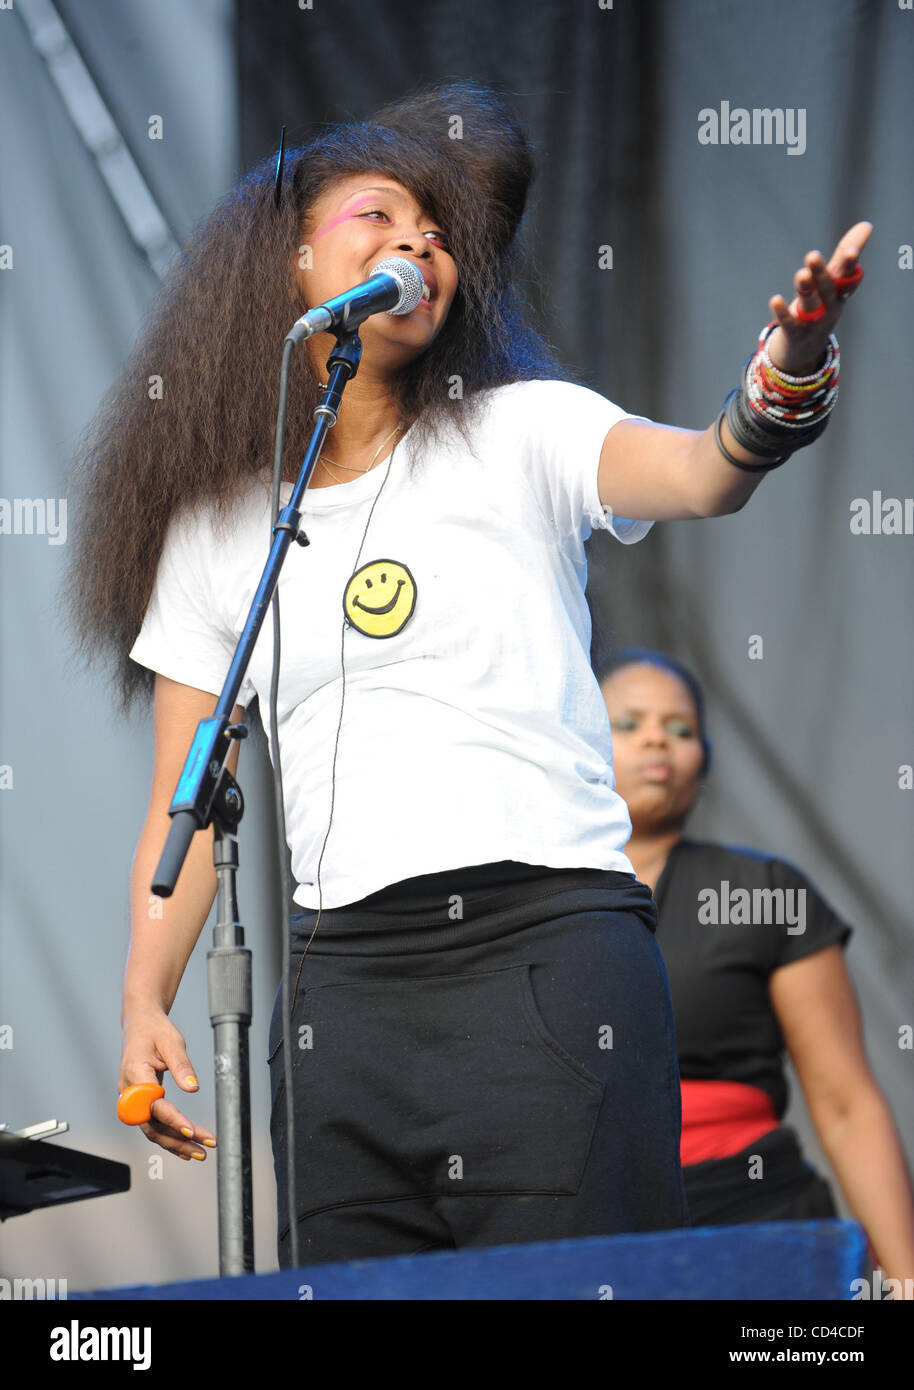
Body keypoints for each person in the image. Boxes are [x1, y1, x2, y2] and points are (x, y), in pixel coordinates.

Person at [63, 79, 871, 1268]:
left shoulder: (522, 430)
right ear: (282, 268)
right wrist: (142, 1003)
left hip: (543, 955)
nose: (417, 246)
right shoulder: (221, 526)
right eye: (377, 221)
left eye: (436, 236)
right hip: (340, 990)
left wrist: (782, 374)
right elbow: (182, 801)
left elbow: (705, 472)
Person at [597, 647, 914, 1290]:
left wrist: (906, 1278)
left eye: (681, 729)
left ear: (703, 763)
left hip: (752, 1222)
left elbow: (847, 1103)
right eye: (628, 723)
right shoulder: (523, 900)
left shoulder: (762, 891)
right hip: (579, 1235)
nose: (658, 736)